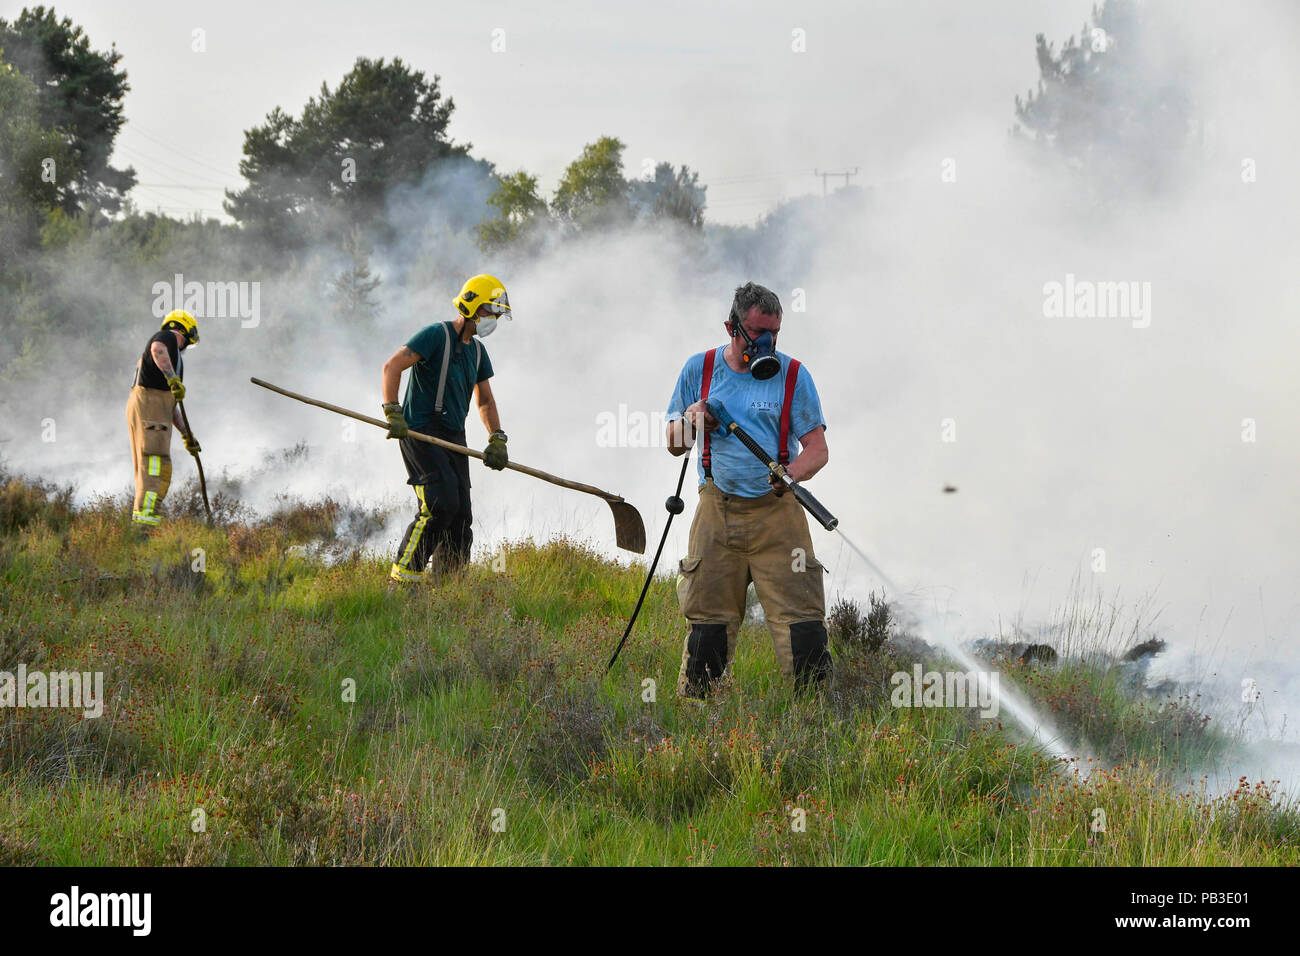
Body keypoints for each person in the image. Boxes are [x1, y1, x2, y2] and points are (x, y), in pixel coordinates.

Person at [664, 282, 832, 696]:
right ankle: (701, 717)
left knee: (803, 626)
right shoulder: (699, 370)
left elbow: (818, 449)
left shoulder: (793, 375)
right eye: (757, 333)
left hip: (778, 514)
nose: (766, 342)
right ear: (731, 328)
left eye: (773, 333)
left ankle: (814, 721)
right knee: (709, 624)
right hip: (716, 512)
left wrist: (791, 471)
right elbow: (673, 443)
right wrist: (691, 418)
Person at [380, 274, 511, 583]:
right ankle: (402, 582)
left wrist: (497, 438)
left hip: (454, 436)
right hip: (420, 431)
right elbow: (392, 366)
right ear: (473, 308)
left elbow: (485, 401)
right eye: (491, 312)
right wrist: (392, 411)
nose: (494, 320)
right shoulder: (435, 335)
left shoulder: (477, 353)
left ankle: (447, 589)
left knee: (461, 516)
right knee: (439, 505)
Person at [126, 310, 201, 529]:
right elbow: (157, 348)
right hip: (151, 409)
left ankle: (144, 523)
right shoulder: (168, 337)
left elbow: (171, 408)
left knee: (154, 467)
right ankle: (144, 529)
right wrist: (173, 379)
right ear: (185, 330)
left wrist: (188, 436)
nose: (186, 346)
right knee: (154, 466)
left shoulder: (171, 360)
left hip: (154, 410)